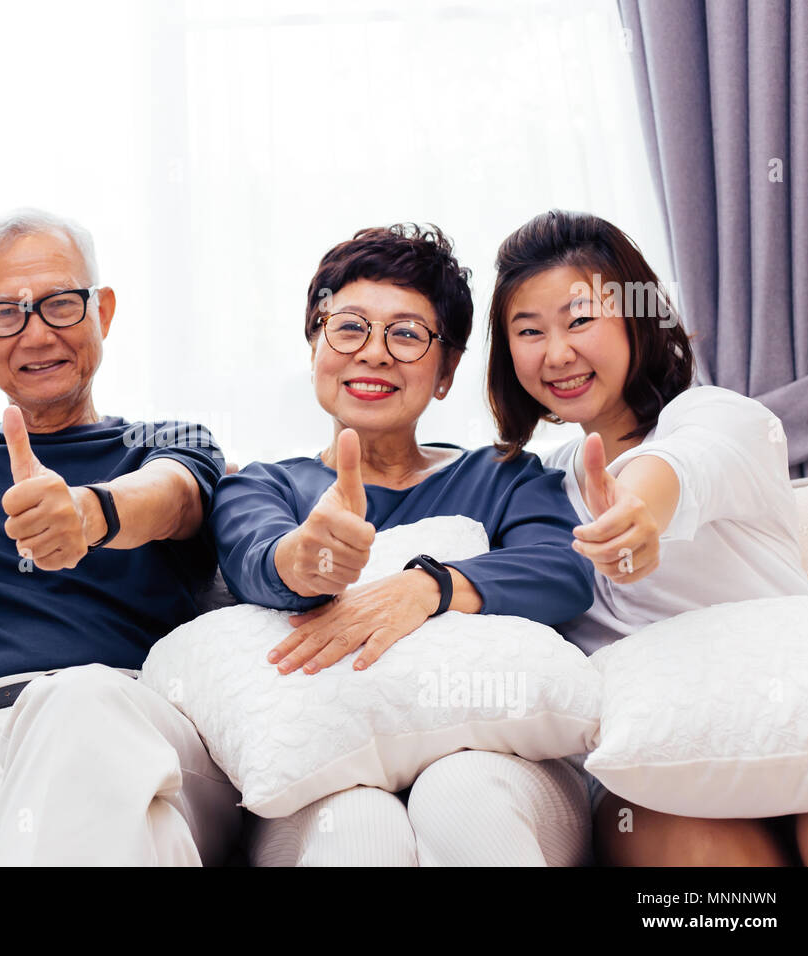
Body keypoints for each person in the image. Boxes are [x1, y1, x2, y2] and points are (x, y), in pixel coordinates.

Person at [211, 223, 596, 866]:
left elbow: (561, 571)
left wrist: (426, 585)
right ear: (315, 346)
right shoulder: (263, 486)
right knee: (357, 828)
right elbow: (257, 558)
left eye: (408, 335)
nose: (374, 353)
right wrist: (309, 558)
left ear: (445, 372)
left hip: (499, 765)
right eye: (349, 327)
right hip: (323, 777)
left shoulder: (503, 475)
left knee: (463, 794)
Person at [0, 209, 242, 866]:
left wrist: (90, 513)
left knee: (80, 703)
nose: (37, 333)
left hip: (143, 733)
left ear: (102, 309)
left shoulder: (169, 444)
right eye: (7, 314)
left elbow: (172, 498)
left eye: (60, 304)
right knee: (137, 833)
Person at [485, 208, 808, 866]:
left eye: (580, 320)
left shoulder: (716, 413)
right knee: (705, 862)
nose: (556, 353)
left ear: (637, 319)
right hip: (662, 768)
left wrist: (634, 516)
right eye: (530, 331)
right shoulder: (527, 489)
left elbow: (682, 466)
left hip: (803, 717)